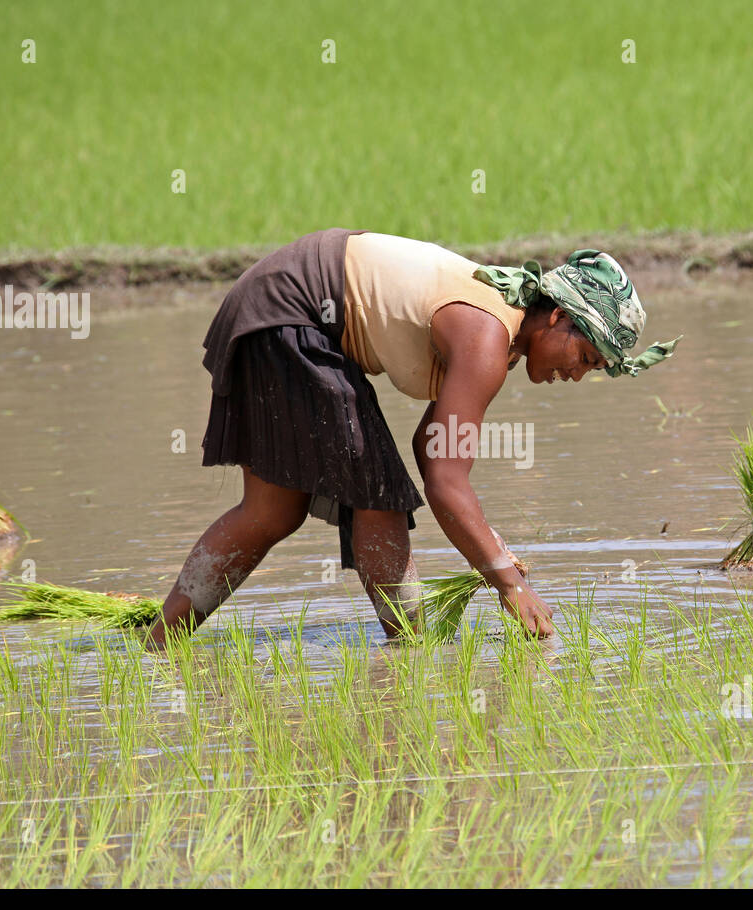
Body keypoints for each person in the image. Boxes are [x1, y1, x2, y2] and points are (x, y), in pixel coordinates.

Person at [144, 229, 680, 649]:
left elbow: (433, 447)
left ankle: (159, 645)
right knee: (378, 500)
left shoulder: (504, 332)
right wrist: (507, 584)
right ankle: (409, 654)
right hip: (292, 314)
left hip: (270, 306)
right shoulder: (488, 336)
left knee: (273, 511)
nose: (579, 374)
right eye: (585, 357)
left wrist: (489, 544)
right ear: (558, 316)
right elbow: (446, 480)